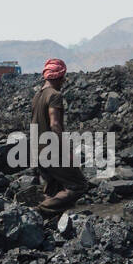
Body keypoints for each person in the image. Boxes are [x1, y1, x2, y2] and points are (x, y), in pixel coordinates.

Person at [31, 57, 88, 211]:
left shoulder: (37, 96)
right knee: (78, 185)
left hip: (38, 150)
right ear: (59, 76)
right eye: (63, 77)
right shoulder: (54, 95)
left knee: (53, 188)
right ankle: (40, 210)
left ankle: (46, 222)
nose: (64, 81)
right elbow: (55, 124)